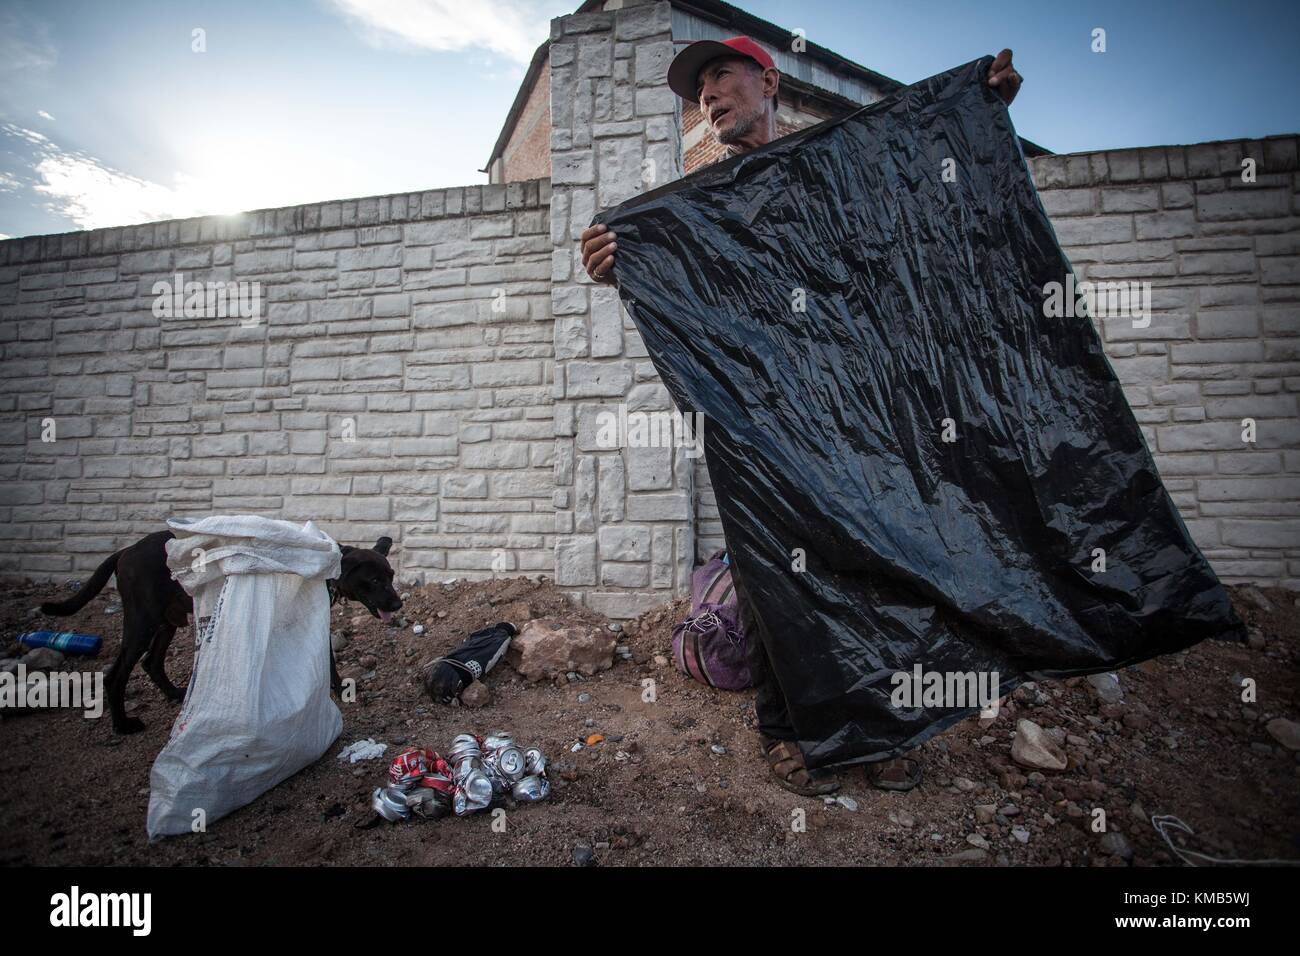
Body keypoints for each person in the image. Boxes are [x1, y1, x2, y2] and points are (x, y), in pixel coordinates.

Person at [579, 36, 1023, 797]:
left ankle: (880, 726)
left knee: (873, 566)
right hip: (754, 426)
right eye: (699, 90)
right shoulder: (697, 204)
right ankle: (787, 730)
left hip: (852, 419)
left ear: (769, 81)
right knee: (769, 574)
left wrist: (975, 114)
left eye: (722, 77)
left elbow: (912, 196)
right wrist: (619, 264)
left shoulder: (830, 165)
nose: (709, 96)